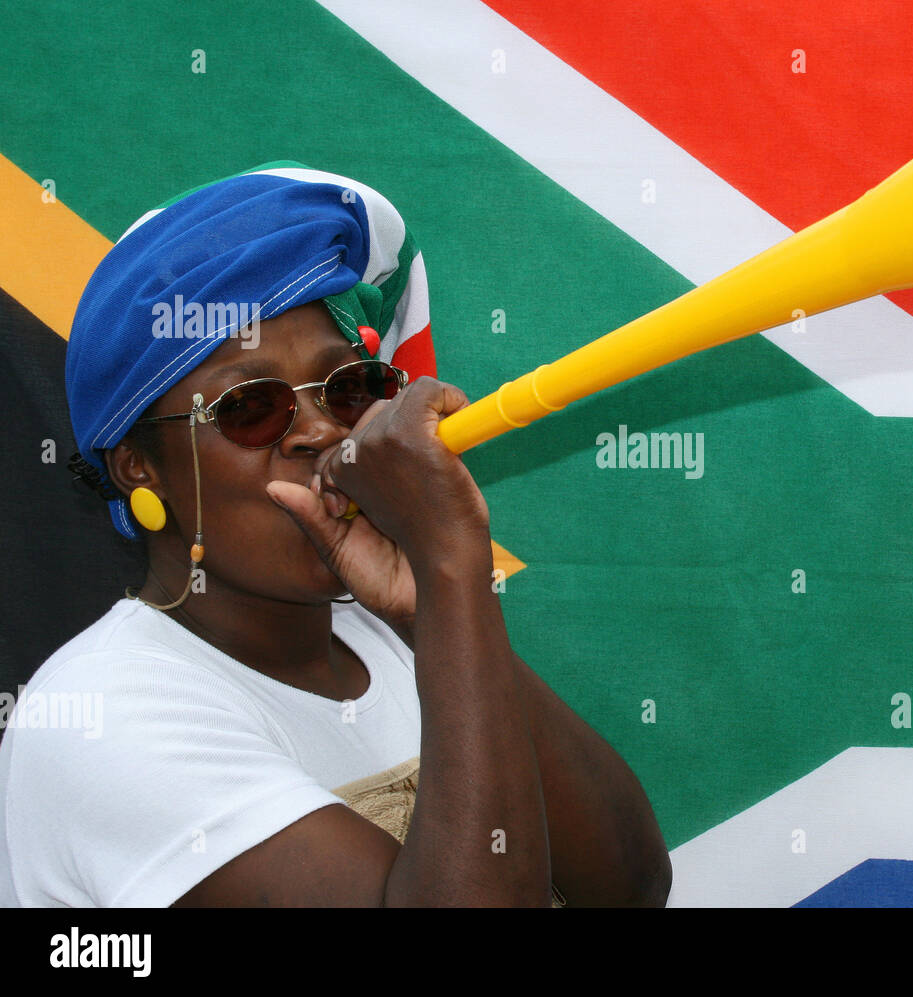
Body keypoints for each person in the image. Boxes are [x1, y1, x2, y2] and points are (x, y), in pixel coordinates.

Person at [0, 163, 671, 907]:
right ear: (138, 467)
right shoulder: (107, 713)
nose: (321, 430)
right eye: (251, 408)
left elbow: (630, 883)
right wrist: (451, 567)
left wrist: (431, 613)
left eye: (349, 390)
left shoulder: (396, 634)